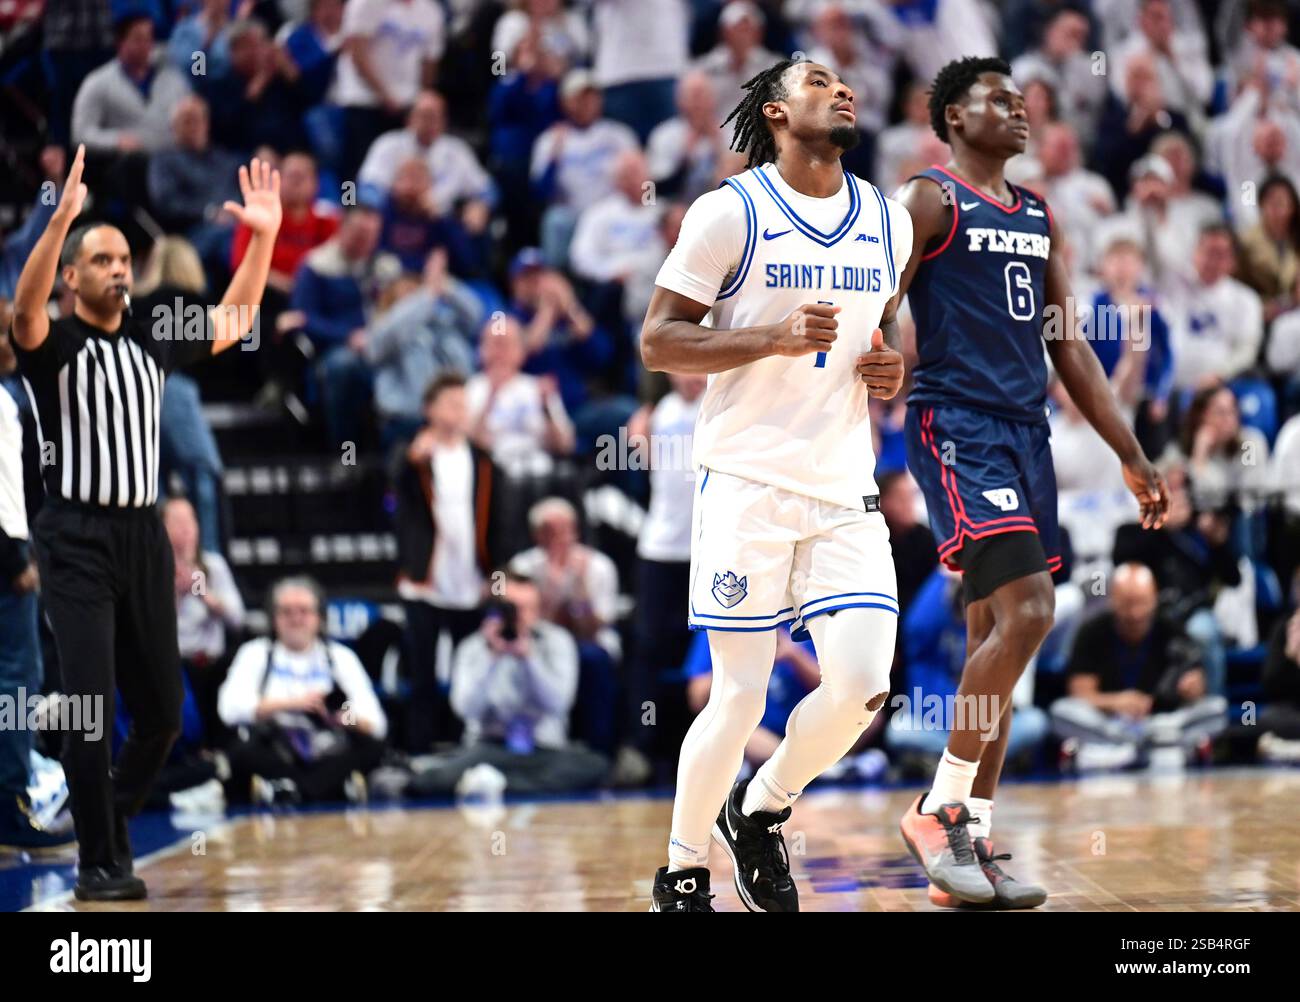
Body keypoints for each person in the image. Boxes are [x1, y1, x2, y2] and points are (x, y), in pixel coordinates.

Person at [892, 56, 1168, 909]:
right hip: (955, 426)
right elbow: (879, 296)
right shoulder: (929, 198)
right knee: (1033, 614)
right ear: (951, 118)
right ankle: (939, 811)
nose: (1018, 111)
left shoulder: (1040, 212)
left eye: (1022, 101)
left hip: (1026, 437)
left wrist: (1129, 449)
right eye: (998, 101)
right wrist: (866, 358)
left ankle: (965, 843)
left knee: (997, 646)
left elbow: (1070, 346)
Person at [640, 58, 912, 912]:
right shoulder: (730, 212)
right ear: (776, 110)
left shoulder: (889, 218)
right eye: (821, 80)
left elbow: (887, 327)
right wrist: (771, 338)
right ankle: (682, 872)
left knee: (865, 682)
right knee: (740, 692)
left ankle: (758, 811)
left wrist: (889, 369)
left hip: (842, 486)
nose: (845, 89)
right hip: (748, 480)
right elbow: (659, 341)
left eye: (847, 81)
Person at [9, 146, 281, 900]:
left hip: (142, 536)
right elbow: (24, 311)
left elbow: (236, 317)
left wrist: (261, 236)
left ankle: (105, 825)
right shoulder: (55, 345)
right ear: (73, 278)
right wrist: (62, 220)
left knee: (162, 715)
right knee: (92, 706)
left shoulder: (155, 332)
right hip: (75, 536)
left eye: (126, 258)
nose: (120, 269)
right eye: (101, 260)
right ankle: (100, 863)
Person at [407, 572, 608, 795]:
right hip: (489, 748)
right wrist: (492, 658)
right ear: (498, 609)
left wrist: (530, 660)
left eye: (529, 608)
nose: (521, 616)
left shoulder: (557, 641)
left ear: (539, 610)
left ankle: (498, 785)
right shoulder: (474, 647)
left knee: (595, 766)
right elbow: (465, 709)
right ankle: (502, 783)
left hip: (544, 750)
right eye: (514, 609)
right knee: (429, 782)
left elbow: (559, 704)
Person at [392, 372, 505, 751]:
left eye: (463, 403)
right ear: (430, 409)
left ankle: (461, 746)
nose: (459, 411)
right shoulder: (413, 455)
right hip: (424, 581)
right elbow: (389, 495)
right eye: (451, 403)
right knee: (421, 672)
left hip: (469, 581)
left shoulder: (483, 460)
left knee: (466, 669)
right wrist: (410, 463)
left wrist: (496, 572)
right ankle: (418, 748)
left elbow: (498, 521)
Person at [0, 327, 74, 851]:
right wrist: (15, 557)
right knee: (16, 682)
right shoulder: (2, 400)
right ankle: (9, 807)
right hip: (5, 563)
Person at [218, 577, 387, 805]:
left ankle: (293, 790)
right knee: (241, 751)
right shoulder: (255, 653)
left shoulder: (340, 657)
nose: (296, 619)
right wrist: (292, 705)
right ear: (274, 618)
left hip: (329, 749)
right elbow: (229, 710)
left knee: (373, 748)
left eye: (304, 611)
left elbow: (376, 724)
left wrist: (338, 716)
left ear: (319, 617)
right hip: (278, 750)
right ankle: (324, 789)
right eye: (287, 612)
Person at [1051, 563, 1227, 768]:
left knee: (1216, 709)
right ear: (1113, 600)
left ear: (1154, 599)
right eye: (1127, 603)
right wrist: (1116, 702)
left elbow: (1196, 686)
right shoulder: (1092, 631)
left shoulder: (1171, 630)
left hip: (1161, 723)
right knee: (1061, 712)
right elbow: (1080, 694)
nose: (1135, 614)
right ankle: (1141, 750)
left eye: (1141, 603)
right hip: (1108, 723)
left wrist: (1193, 687)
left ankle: (1120, 752)